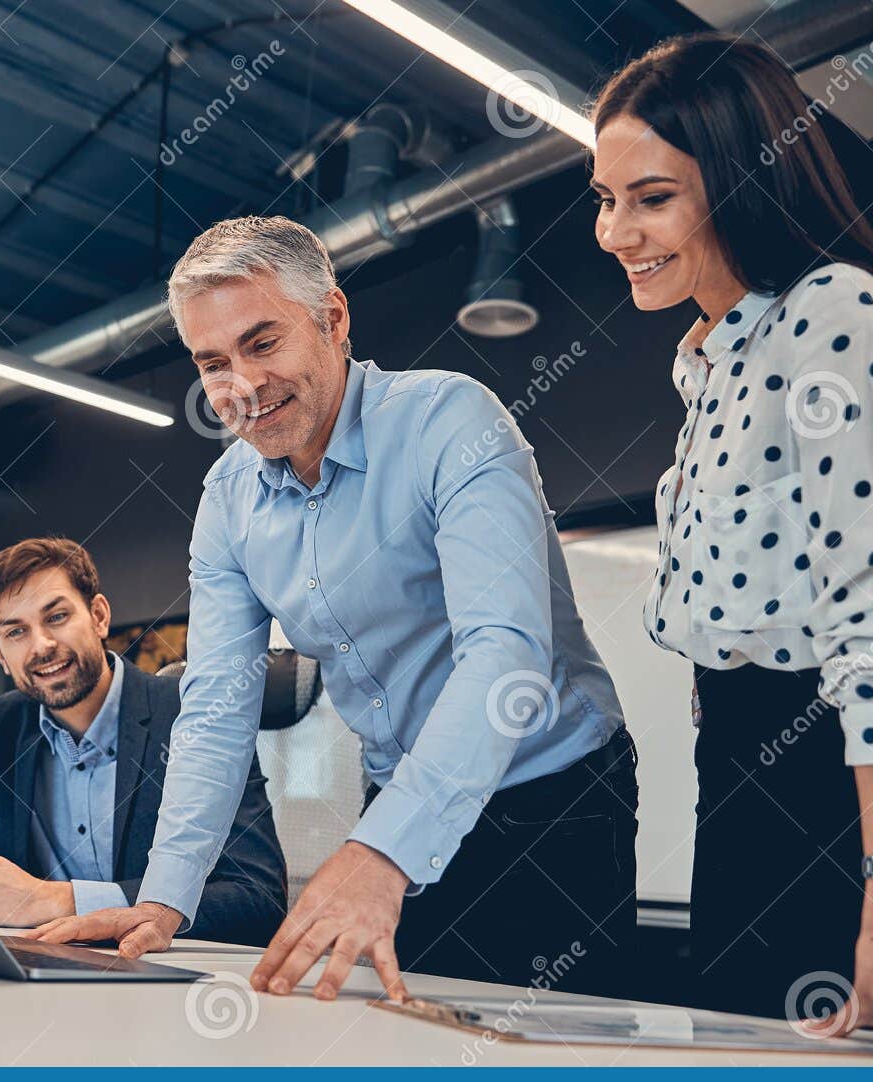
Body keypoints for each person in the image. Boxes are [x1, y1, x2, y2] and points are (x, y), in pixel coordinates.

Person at [31, 215, 638, 1003]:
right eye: (212, 363)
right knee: (410, 1046)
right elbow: (216, 705)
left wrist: (382, 852)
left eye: (262, 343)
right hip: (394, 798)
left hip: (552, 800)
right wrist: (164, 895)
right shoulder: (228, 501)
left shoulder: (449, 421)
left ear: (334, 319)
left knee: (551, 1061)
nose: (240, 387)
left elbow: (505, 657)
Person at [591, 33, 873, 1028]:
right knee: (741, 1061)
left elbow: (866, 622)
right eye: (604, 197)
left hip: (828, 787)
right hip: (738, 771)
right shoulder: (703, 361)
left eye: (651, 196)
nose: (613, 230)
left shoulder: (828, 314)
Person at [0, 537, 286, 946]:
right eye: (16, 632)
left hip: (158, 978)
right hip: (41, 973)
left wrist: (55, 899)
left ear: (98, 616)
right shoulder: (10, 724)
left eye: (56, 617)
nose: (41, 645)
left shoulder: (189, 713)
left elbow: (258, 900)